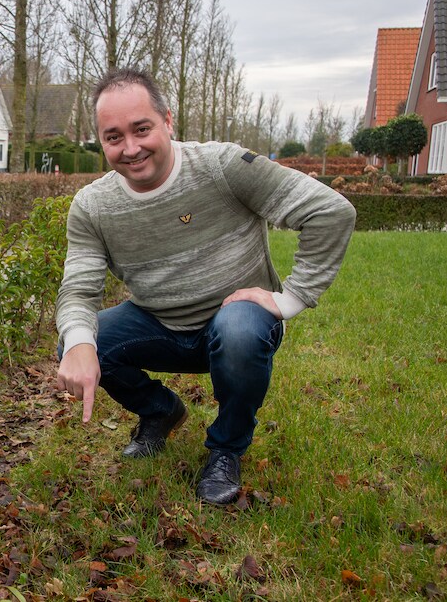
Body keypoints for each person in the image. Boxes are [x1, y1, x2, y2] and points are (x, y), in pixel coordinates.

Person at [54, 67, 356, 505]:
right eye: (113, 137)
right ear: (100, 140)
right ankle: (160, 412)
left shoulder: (223, 166)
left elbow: (330, 212)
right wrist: (80, 342)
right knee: (75, 341)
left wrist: (289, 298)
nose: (131, 148)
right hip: (161, 324)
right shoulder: (93, 206)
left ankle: (226, 450)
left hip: (239, 325)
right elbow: (78, 290)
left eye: (142, 129)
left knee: (236, 330)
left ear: (168, 121)